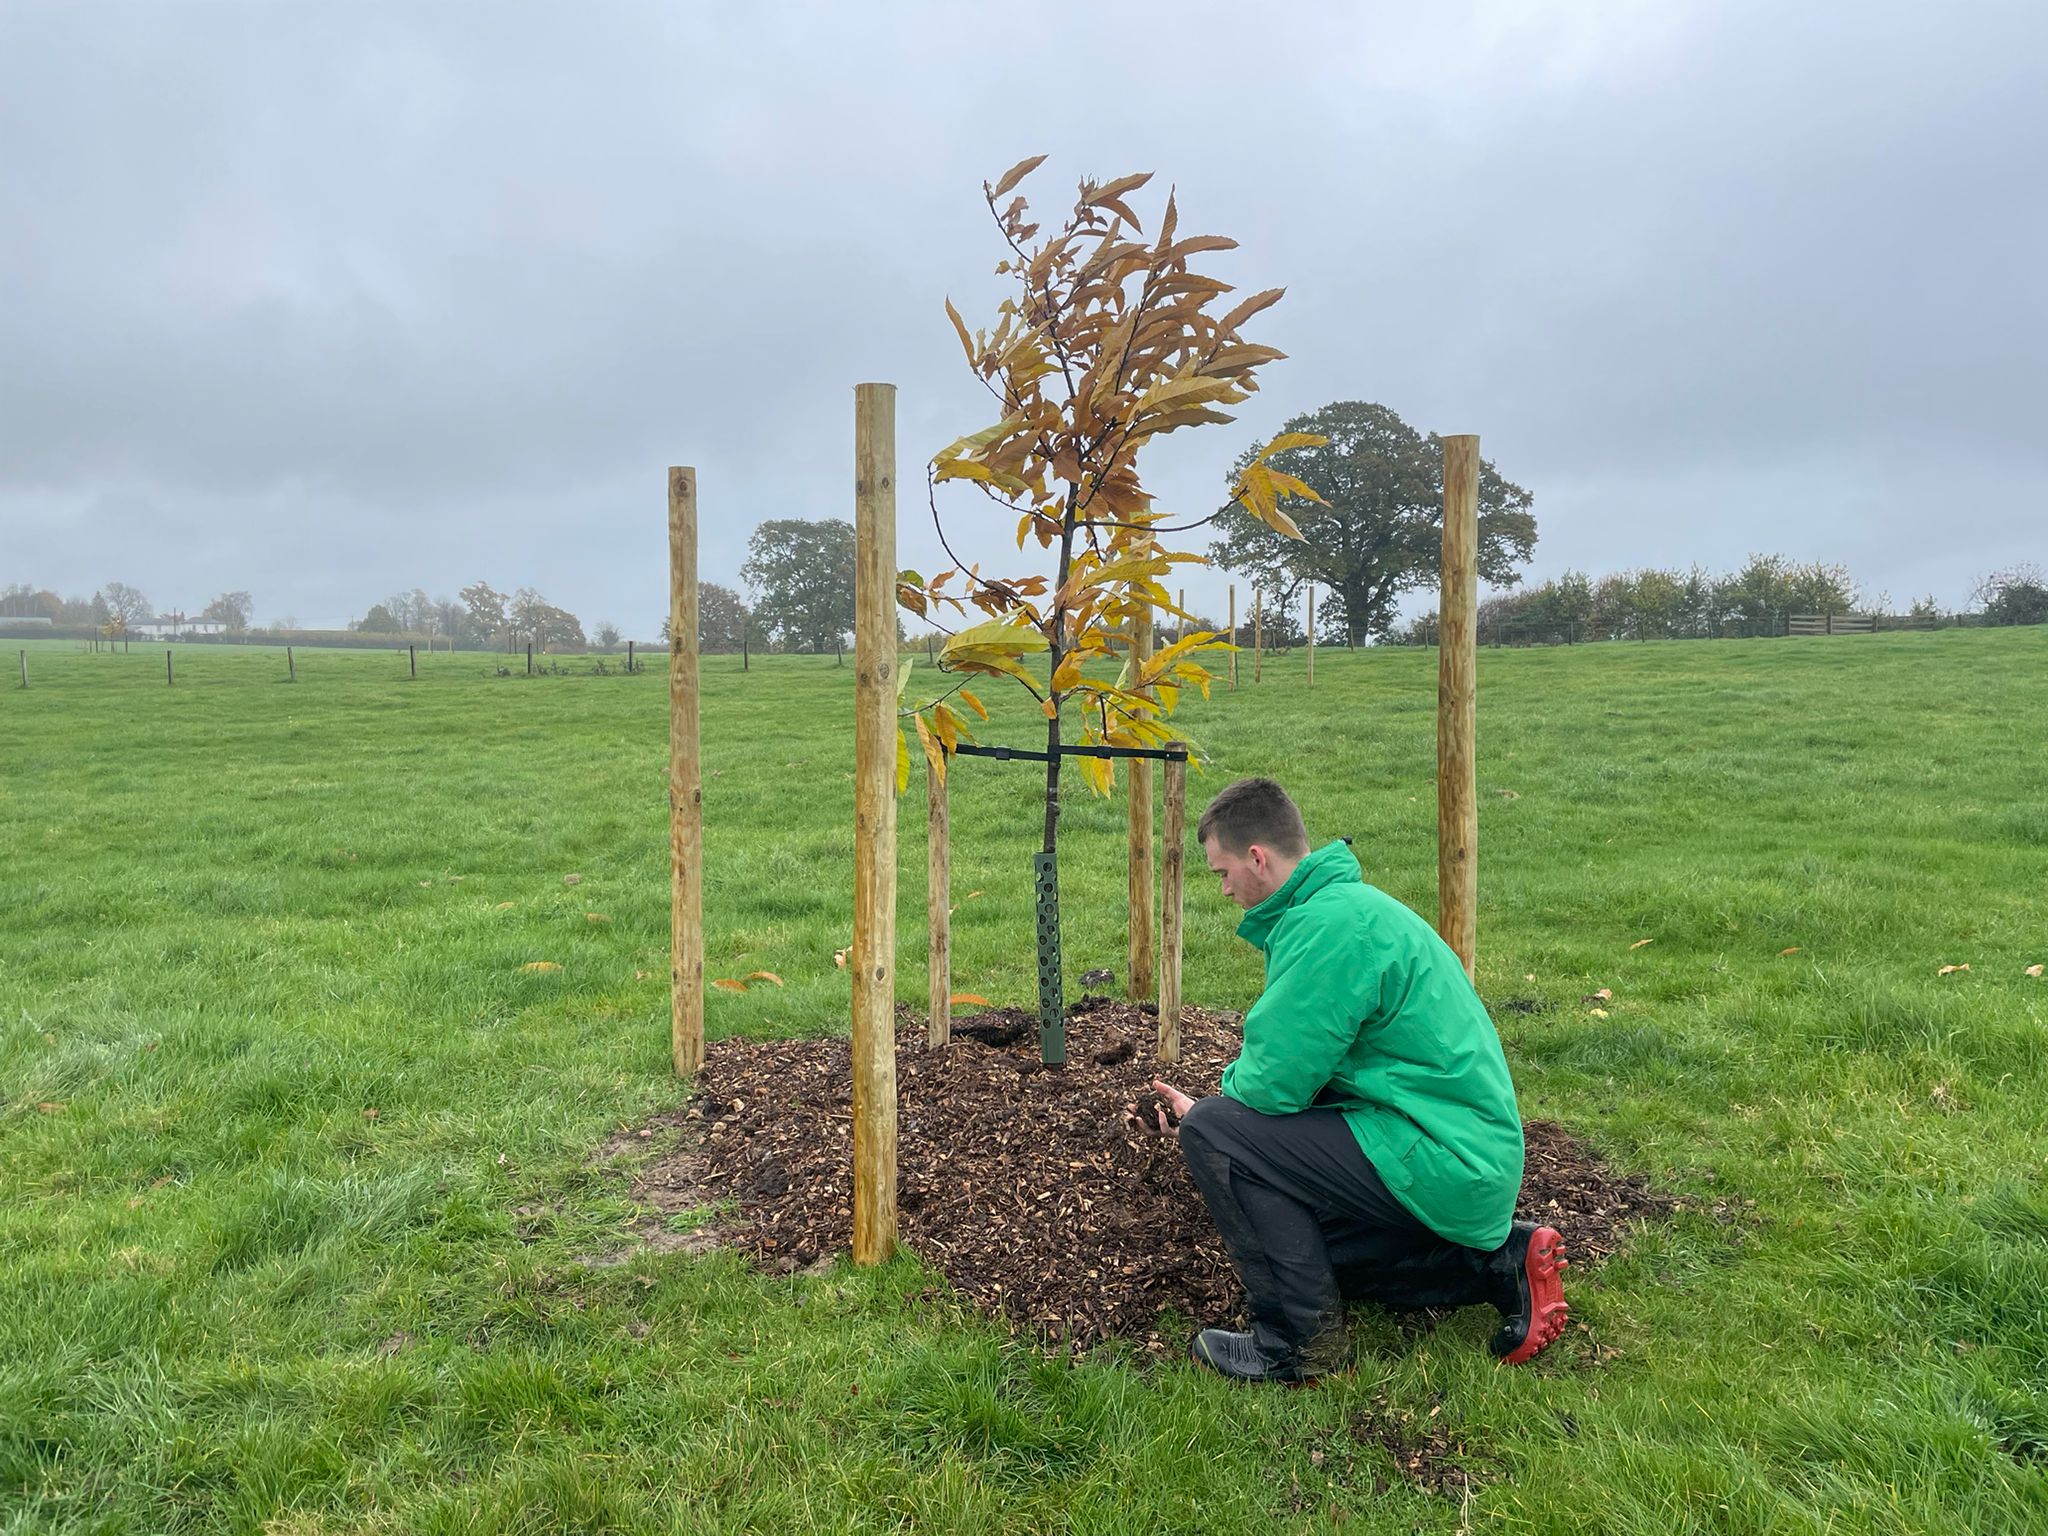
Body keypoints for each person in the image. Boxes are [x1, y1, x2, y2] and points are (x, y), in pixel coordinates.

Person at [1132, 777, 1567, 1383]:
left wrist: (1214, 1110)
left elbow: (1272, 1086)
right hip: (1452, 1151)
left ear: (1257, 858)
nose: (1224, 888)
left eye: (1222, 872)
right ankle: (1504, 1265)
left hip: (1443, 1154)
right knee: (1310, 1254)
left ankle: (1295, 1346)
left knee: (1213, 1132)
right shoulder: (1345, 909)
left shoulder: (1331, 928)